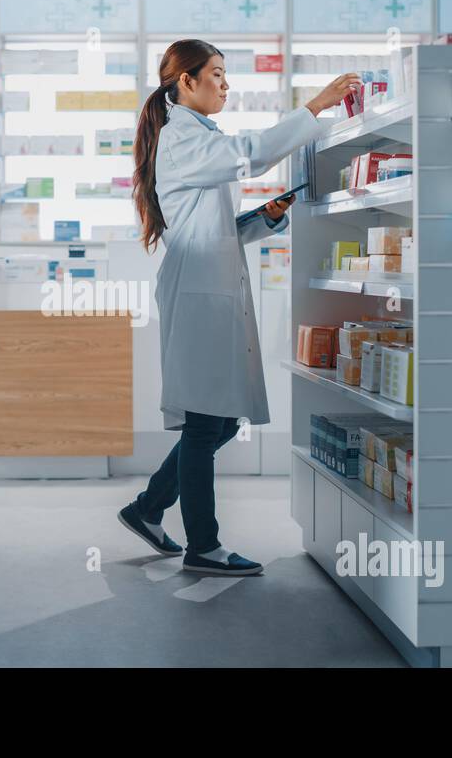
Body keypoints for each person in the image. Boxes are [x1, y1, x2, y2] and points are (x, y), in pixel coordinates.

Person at [117, 38, 361, 576]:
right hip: (198, 295)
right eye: (218, 75)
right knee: (208, 423)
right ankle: (203, 546)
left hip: (209, 286)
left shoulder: (198, 137)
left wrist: (264, 218)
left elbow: (217, 230)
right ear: (187, 81)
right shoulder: (183, 137)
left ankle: (148, 508)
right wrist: (315, 106)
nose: (226, 85)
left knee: (220, 422)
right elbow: (250, 152)